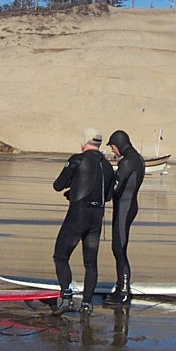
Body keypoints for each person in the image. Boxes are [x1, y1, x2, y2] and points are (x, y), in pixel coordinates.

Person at [50, 128, 115, 316]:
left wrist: (73, 191)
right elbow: (108, 195)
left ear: (84, 142)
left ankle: (67, 297)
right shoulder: (108, 166)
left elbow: (58, 184)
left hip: (78, 215)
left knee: (61, 256)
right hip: (97, 218)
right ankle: (86, 304)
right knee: (90, 263)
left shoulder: (77, 159)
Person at [103, 130, 145, 306]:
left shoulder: (128, 162)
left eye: (113, 147)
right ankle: (121, 285)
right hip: (128, 205)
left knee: (119, 248)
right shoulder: (138, 158)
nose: (113, 151)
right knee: (119, 247)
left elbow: (115, 187)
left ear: (118, 144)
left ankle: (124, 291)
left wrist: (100, 196)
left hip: (124, 208)